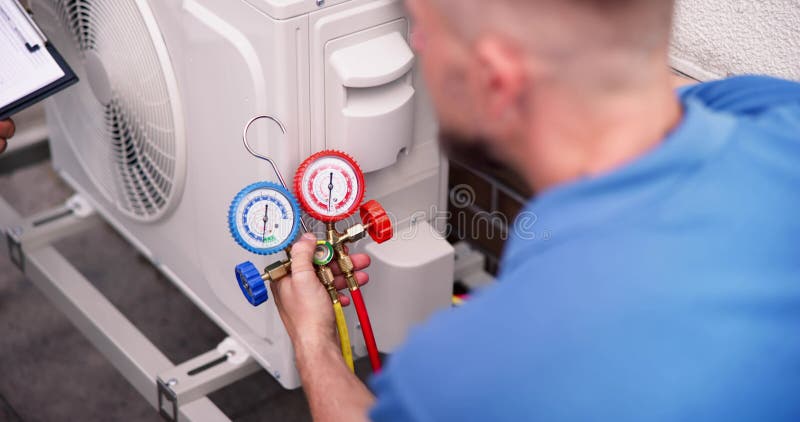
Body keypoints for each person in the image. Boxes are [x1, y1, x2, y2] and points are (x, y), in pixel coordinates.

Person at [273, 0, 800, 420]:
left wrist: (312, 339)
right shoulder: (780, 115)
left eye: (427, 30)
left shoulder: (474, 372)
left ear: (497, 80)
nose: (415, 43)